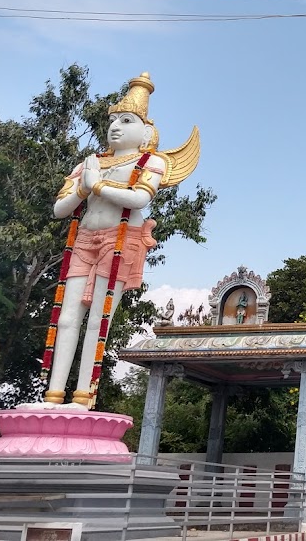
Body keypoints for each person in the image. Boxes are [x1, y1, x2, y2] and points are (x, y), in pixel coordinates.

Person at [44, 73, 200, 409]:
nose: (115, 127)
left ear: (146, 132)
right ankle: (53, 393)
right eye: (113, 120)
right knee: (67, 318)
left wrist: (96, 186)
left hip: (120, 239)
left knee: (99, 319)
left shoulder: (151, 161)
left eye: (126, 120)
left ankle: (83, 396)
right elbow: (60, 209)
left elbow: (139, 199)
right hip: (84, 239)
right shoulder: (90, 163)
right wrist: (84, 186)